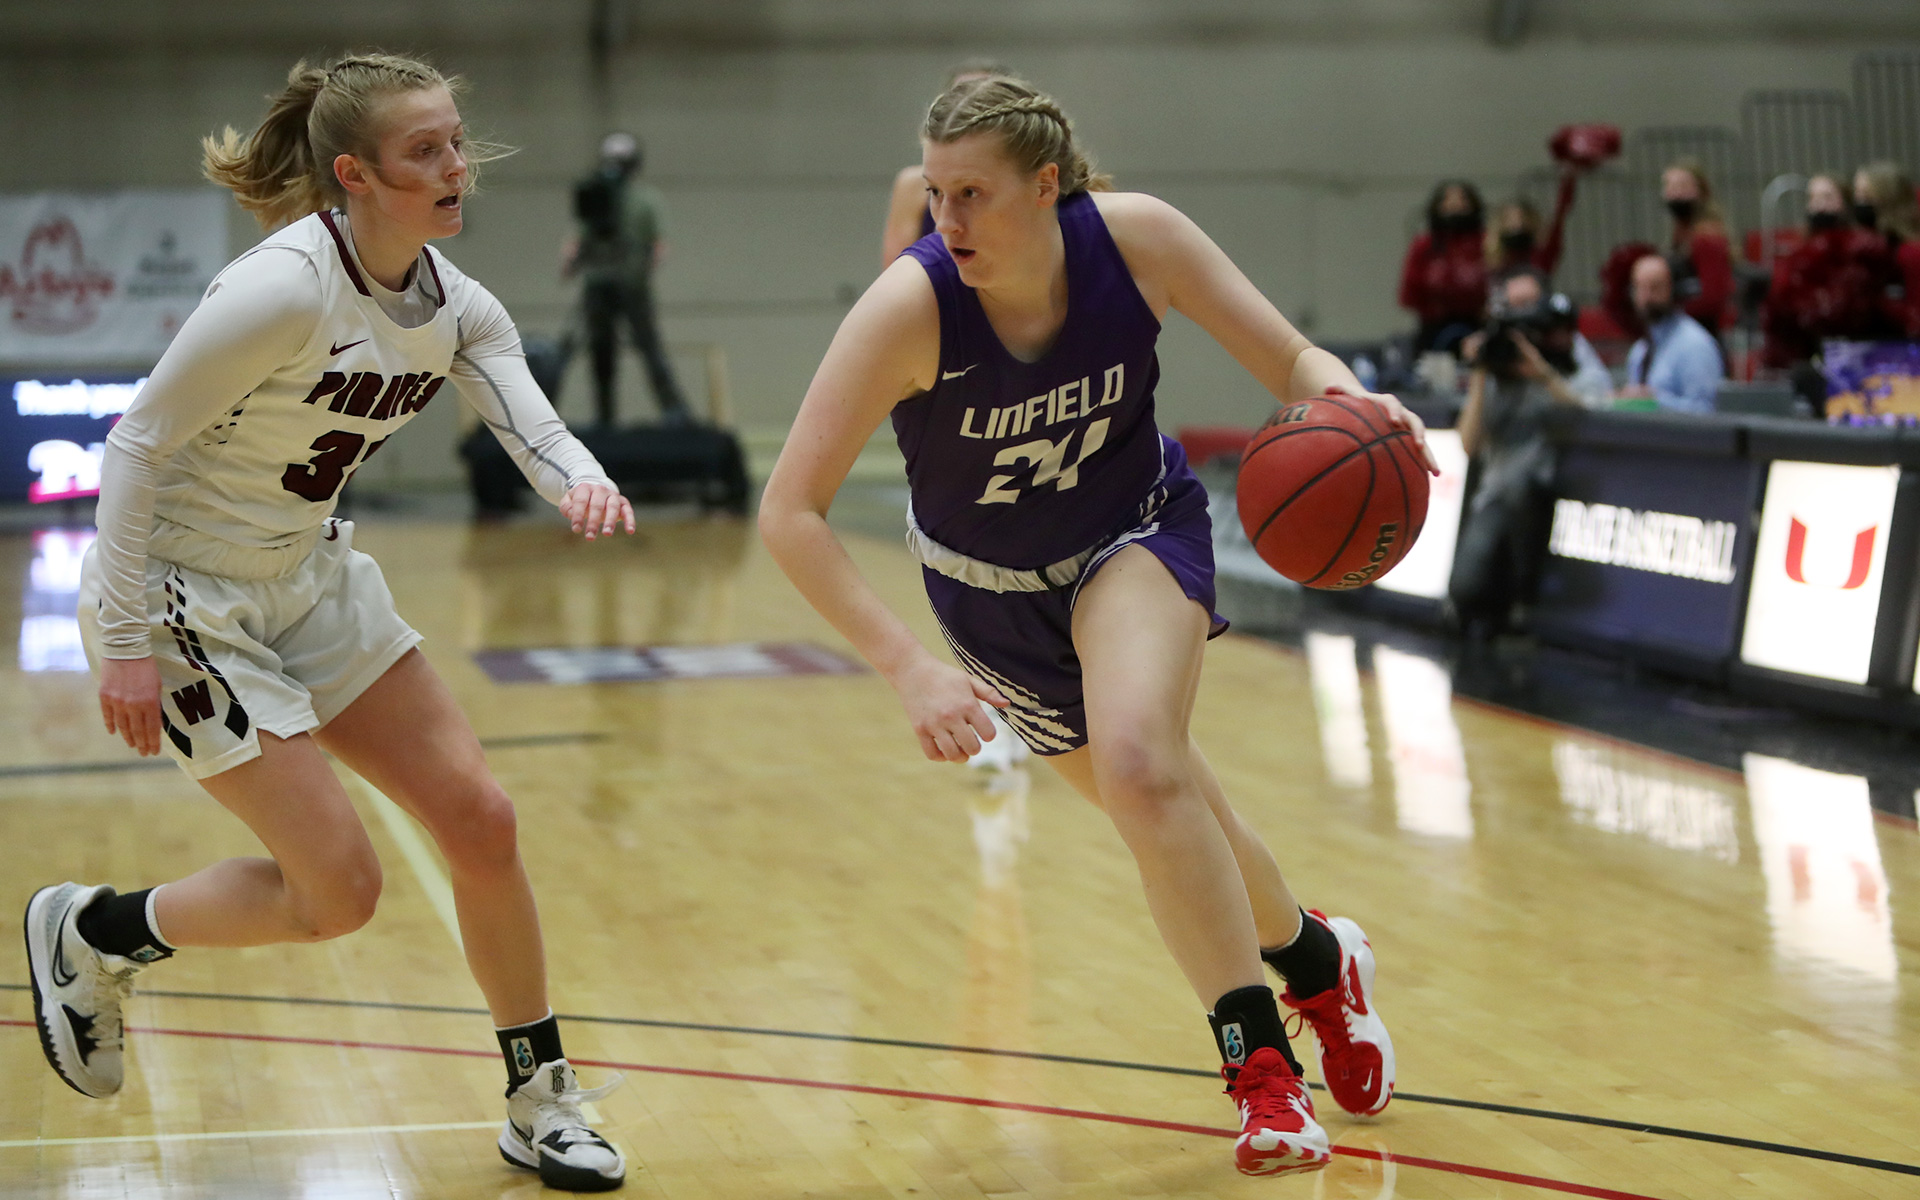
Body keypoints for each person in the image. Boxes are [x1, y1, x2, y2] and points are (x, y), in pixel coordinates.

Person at [760, 75, 1427, 1178]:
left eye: (973, 193)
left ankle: (1262, 1075)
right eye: (935, 194)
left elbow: (1294, 363)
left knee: (1139, 767)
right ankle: (1317, 961)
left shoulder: (1140, 242)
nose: (949, 221)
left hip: (1137, 538)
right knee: (1171, 804)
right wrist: (908, 669)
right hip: (989, 597)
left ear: (1047, 185)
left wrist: (1357, 405)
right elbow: (790, 510)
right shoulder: (910, 309)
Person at [24, 55, 632, 1193]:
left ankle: (539, 1100)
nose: (456, 168)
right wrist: (117, 641)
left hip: (307, 576)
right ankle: (99, 933)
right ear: (353, 174)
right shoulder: (285, 289)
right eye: (426, 152)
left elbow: (535, 429)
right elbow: (135, 445)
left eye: (457, 142)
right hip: (184, 596)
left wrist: (583, 486)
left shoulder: (457, 304)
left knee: (482, 820)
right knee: (338, 897)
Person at [1450, 270, 1589, 637]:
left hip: (1541, 495)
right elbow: (1468, 444)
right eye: (1511, 308)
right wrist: (1481, 372)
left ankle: (1523, 604)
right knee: (1462, 592)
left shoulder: (1567, 360)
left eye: (1526, 306)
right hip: (1494, 496)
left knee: (1522, 495)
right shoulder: (1496, 372)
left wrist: (1541, 373)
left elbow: (1586, 415)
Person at [564, 131, 691, 426]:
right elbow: (580, 238)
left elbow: (658, 244)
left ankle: (657, 413)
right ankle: (614, 416)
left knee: (639, 348)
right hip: (615, 284)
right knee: (615, 351)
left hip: (621, 285)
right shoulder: (617, 198)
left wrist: (571, 265)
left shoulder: (634, 199)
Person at [881, 60, 1014, 265]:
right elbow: (893, 270)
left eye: (984, 100)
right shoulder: (914, 183)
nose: (971, 110)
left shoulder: (1026, 179)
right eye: (935, 191)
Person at [1761, 172, 1894, 370]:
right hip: (1804, 353)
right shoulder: (1799, 256)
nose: (1819, 205)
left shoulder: (1864, 251)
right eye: (1813, 198)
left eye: (1827, 197)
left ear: (1845, 203)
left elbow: (1849, 311)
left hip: (1852, 353)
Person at [1621, 255, 1724, 414]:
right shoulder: (1639, 351)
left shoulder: (1695, 345)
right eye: (1640, 288)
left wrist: (1655, 403)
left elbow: (1707, 412)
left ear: (1673, 289)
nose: (1646, 297)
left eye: (1655, 287)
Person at [1399, 179, 1488, 356]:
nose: (1455, 205)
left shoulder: (1485, 243)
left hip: (1477, 324)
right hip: (1433, 326)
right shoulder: (1425, 245)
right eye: (1448, 200)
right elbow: (1409, 290)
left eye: (1462, 199)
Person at [1660, 158, 1735, 333]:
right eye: (1670, 187)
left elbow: (1712, 298)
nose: (1676, 194)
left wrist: (1667, 310)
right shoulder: (1679, 234)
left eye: (1683, 187)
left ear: (1701, 192)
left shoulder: (1707, 237)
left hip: (1702, 331)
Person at [1853, 160, 1920, 338]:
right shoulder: (1861, 248)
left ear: (1887, 200)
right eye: (1857, 196)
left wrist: (1875, 300)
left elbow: (1915, 320)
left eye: (1866, 197)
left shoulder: (1910, 253)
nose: (1859, 203)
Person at [1486, 167, 1579, 282]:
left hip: (1536, 297)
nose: (1517, 223)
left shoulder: (1541, 251)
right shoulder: (1494, 255)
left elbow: (1559, 216)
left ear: (1530, 220)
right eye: (1510, 219)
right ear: (1501, 223)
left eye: (1522, 218)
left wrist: (1569, 179)